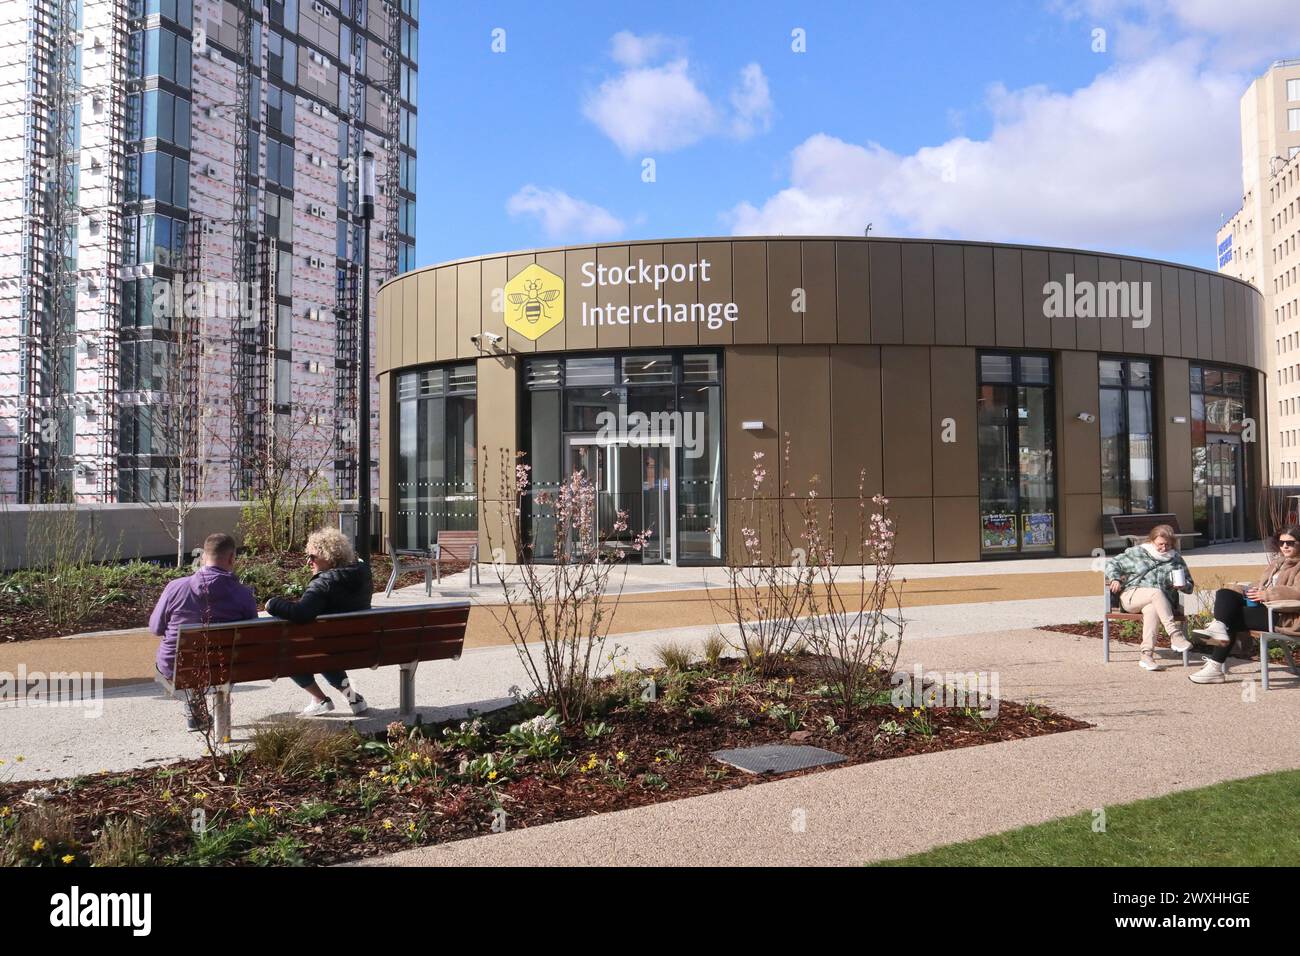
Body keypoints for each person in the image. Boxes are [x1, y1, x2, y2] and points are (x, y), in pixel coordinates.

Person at [149, 532, 259, 732]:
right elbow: (252, 637)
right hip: (225, 668)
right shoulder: (243, 595)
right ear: (232, 558)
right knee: (227, 658)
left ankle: (195, 710)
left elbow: (155, 628)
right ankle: (218, 711)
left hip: (176, 670)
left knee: (187, 658)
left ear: (202, 558)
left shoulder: (175, 588)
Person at [266, 527, 371, 717]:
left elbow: (301, 613)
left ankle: (319, 699)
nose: (308, 561)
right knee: (324, 649)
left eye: (312, 557)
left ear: (328, 556)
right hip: (362, 647)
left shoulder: (324, 583)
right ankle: (352, 697)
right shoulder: (362, 574)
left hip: (331, 647)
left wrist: (272, 603)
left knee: (288, 652)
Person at [1190, 525, 1300, 684]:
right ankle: (1219, 627)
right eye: (1281, 542)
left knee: (1232, 618)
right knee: (1225, 593)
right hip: (1266, 609)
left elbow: (1296, 592)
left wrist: (1267, 594)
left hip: (1286, 616)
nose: (1284, 546)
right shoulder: (1278, 563)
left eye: (1290, 543)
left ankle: (1214, 666)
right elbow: (1261, 585)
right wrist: (1244, 589)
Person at [1104, 524, 1195, 671]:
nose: (1164, 548)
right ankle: (1175, 635)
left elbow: (1190, 586)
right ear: (1152, 541)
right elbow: (1112, 564)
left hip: (1160, 604)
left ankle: (1146, 656)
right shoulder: (1137, 553)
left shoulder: (1176, 559)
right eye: (1160, 544)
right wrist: (1115, 578)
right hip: (1132, 597)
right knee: (1155, 592)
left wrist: (1182, 585)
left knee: (1152, 609)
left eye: (1168, 544)